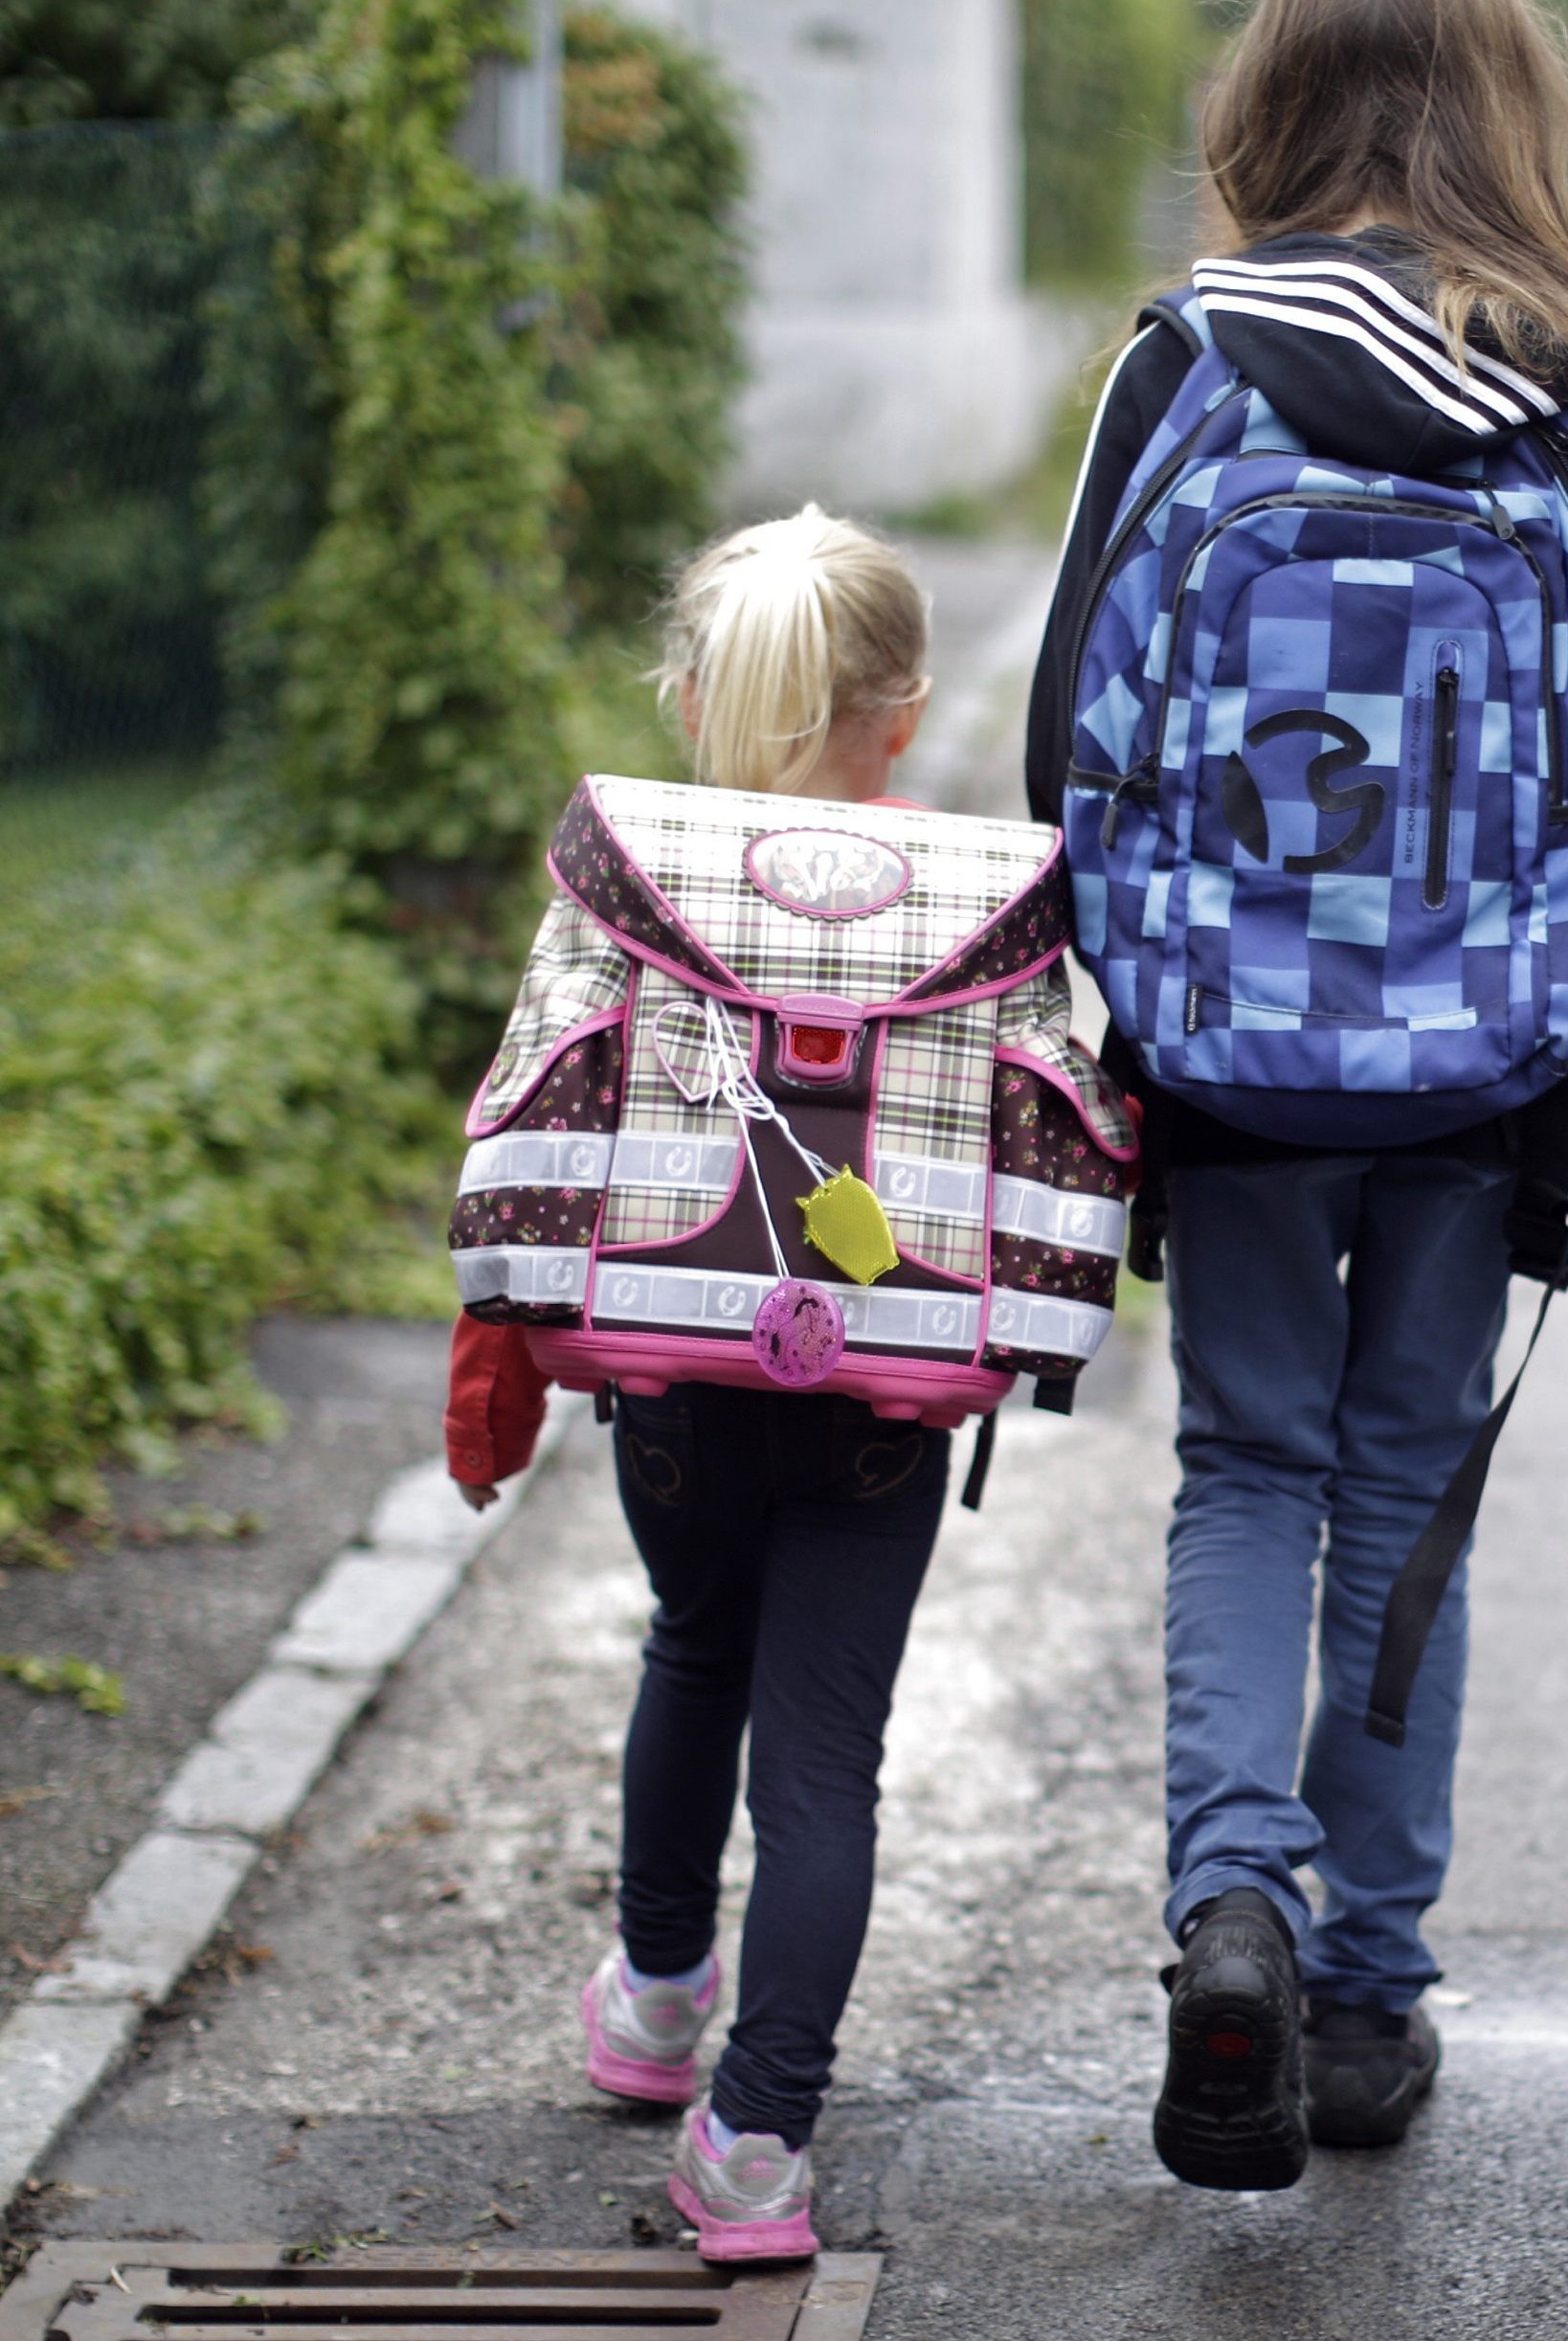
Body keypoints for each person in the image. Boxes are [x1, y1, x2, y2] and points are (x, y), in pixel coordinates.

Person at [1021, 0, 1568, 2185]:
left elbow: (1064, 737)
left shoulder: (1187, 359)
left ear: (1268, 97)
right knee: (1411, 1484)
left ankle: (1234, 1896)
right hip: (1482, 1046)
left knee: (1246, 1464)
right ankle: (1367, 1996)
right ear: (1515, 101)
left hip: (1223, 1040)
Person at [445, 509, 944, 2262]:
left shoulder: (629, 881)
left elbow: (528, 1107)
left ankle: (659, 1997)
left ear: (684, 701)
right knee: (825, 1763)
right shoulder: (965, 910)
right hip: (881, 1396)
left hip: (670, 1386)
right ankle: (757, 2146)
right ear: (909, 709)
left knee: (695, 1647)